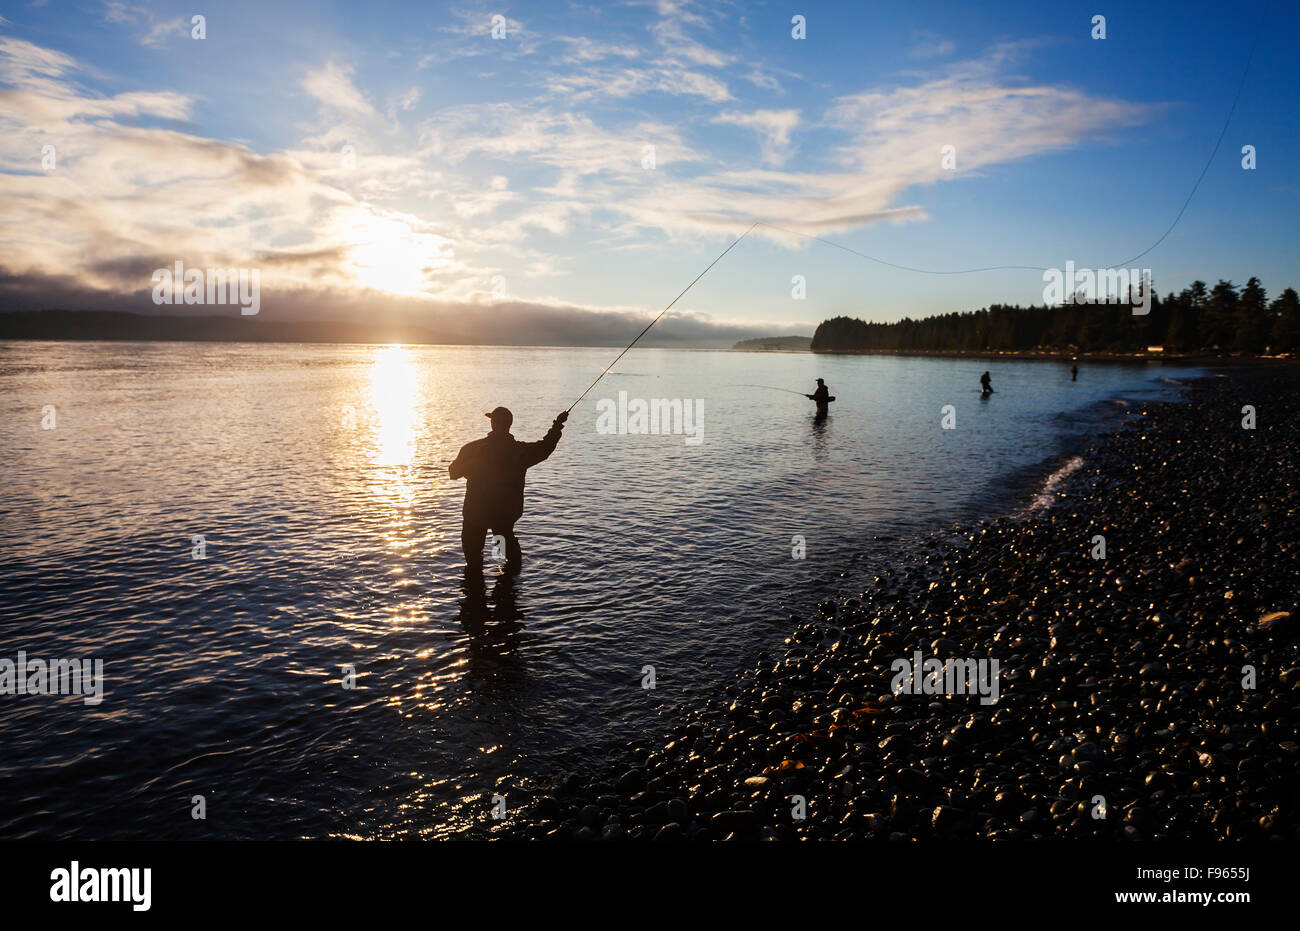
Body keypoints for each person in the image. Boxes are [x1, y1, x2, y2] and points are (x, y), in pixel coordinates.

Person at [449, 406, 567, 573]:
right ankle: (508, 591)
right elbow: (546, 447)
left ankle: (475, 594)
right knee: (510, 562)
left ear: (492, 423)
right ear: (509, 425)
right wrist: (557, 425)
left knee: (473, 563)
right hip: (503, 516)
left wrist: (471, 468)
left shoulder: (472, 448)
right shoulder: (520, 452)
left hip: (475, 514)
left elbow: (453, 473)